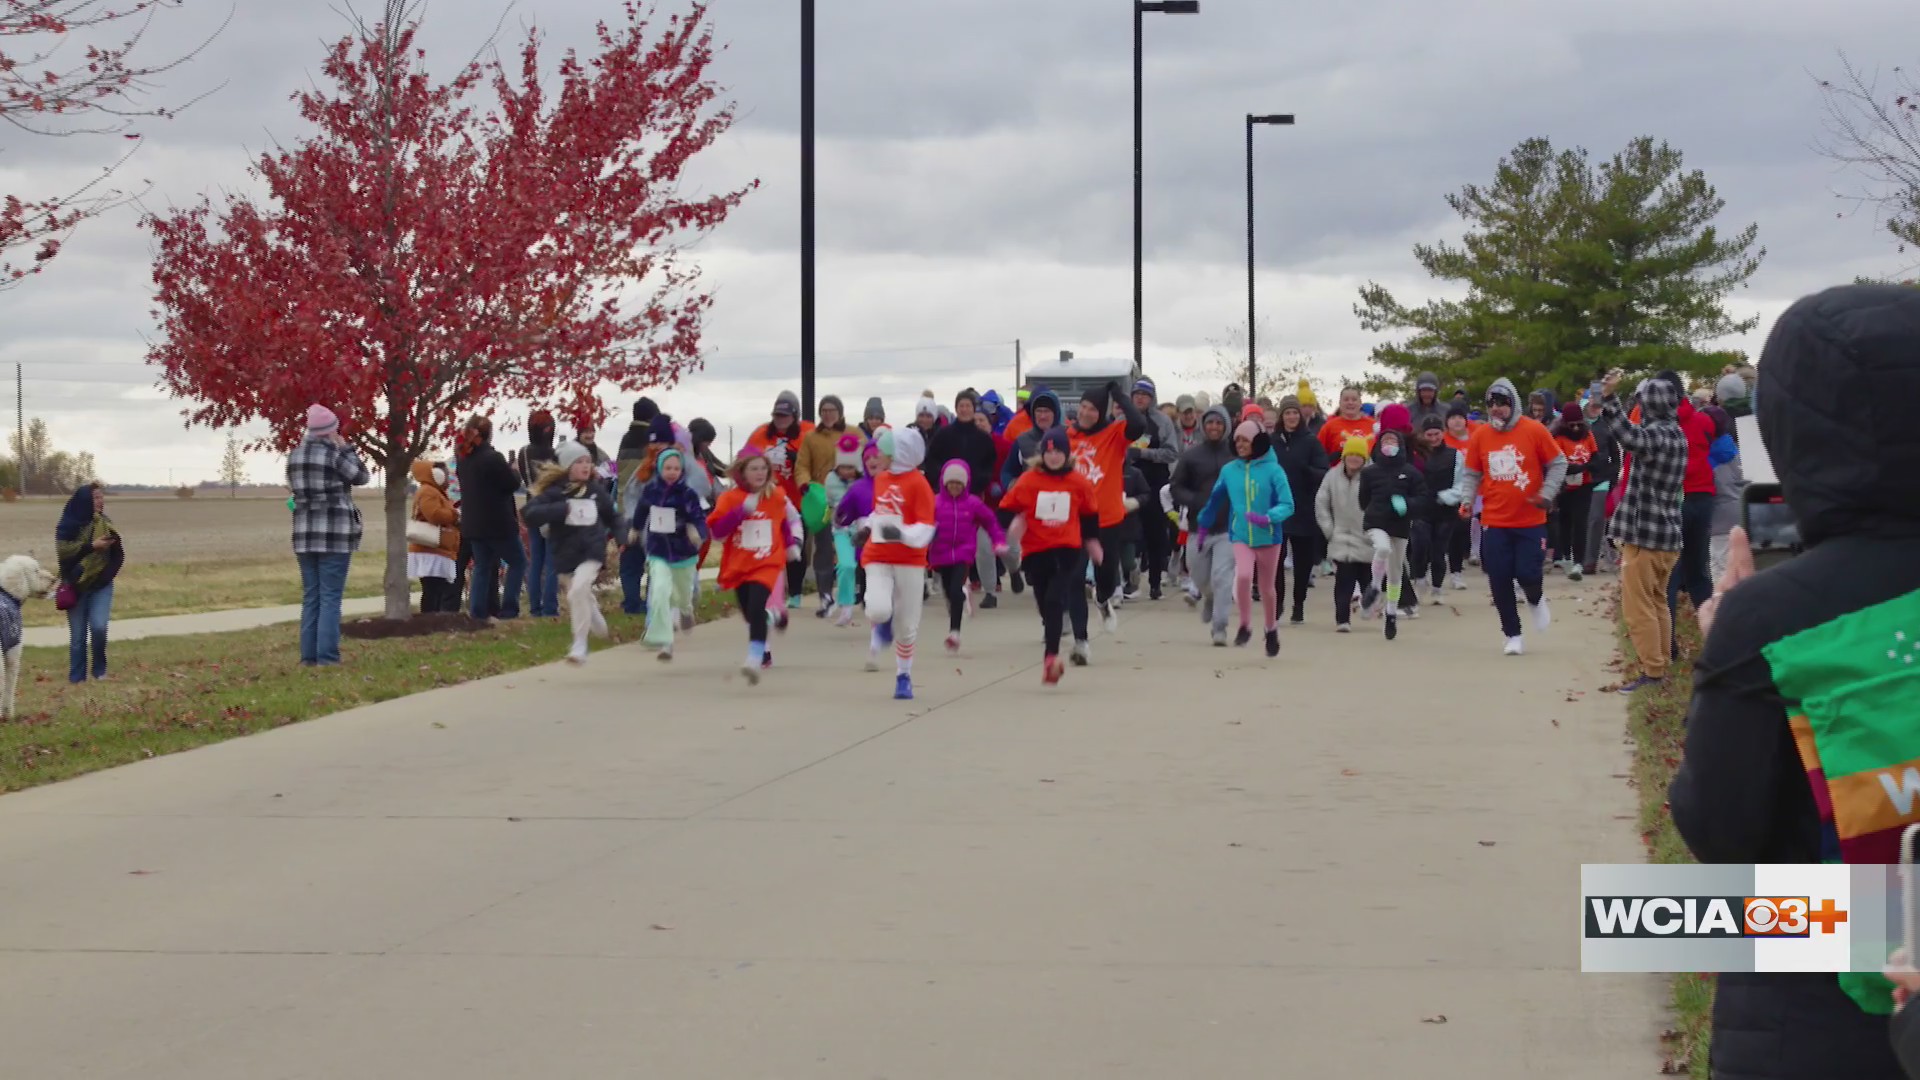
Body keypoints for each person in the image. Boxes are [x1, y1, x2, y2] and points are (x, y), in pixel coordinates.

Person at [1668, 283, 1920, 1080]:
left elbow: (1720, 829)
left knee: (1635, 919)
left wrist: (1723, 645)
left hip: (1813, 1016)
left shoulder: (1771, 619)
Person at [1588, 371, 1687, 692]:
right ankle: (1659, 664)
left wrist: (1608, 397)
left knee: (1639, 607)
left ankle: (1653, 672)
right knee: (1658, 602)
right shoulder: (1678, 435)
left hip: (1646, 537)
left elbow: (1626, 436)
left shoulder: (1656, 436)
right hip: (1668, 536)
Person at [1456, 378, 1566, 656]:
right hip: (1494, 520)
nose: (1497, 410)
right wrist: (1467, 500)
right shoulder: (1481, 435)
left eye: (1502, 404)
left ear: (1513, 404)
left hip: (1531, 519)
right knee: (1499, 577)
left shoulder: (1534, 430)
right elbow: (1471, 473)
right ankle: (1512, 634)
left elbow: (1558, 463)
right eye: (1492, 404)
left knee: (1528, 573)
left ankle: (1535, 598)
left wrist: (1547, 492)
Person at [1001, 428, 1101, 684]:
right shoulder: (1029, 481)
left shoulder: (1078, 482)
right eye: (1049, 452)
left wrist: (1092, 542)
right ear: (1042, 454)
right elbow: (1007, 507)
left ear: (1066, 454)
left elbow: (1089, 514)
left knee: (1056, 599)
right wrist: (1008, 529)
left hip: (1067, 548)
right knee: (1045, 602)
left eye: (1058, 452)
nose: (1054, 456)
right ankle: (1052, 636)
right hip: (1036, 551)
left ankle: (1051, 658)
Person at [1199, 419, 1294, 658]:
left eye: (1245, 440)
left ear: (1258, 442)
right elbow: (1214, 500)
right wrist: (1203, 525)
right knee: (1242, 576)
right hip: (1240, 535)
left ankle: (1271, 629)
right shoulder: (1230, 470)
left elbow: (1288, 504)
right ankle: (1245, 625)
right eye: (1237, 440)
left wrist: (1269, 517)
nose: (1240, 444)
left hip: (1270, 537)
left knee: (1267, 589)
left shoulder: (1274, 470)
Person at [1067, 381, 1149, 657]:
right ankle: (1081, 642)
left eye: (1093, 409)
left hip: (1107, 521)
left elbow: (1137, 424)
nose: (1086, 412)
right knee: (1074, 578)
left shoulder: (1114, 434)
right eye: (1084, 406)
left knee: (1105, 577)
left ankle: (1103, 600)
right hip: (1075, 522)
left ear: (1101, 413)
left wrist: (1119, 395)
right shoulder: (1068, 436)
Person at [286, 406, 371, 668]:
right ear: (330, 430)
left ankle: (308, 657)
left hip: (304, 533)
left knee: (311, 596)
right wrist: (348, 449)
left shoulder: (294, 456)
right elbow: (361, 477)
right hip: (334, 533)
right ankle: (328, 657)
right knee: (330, 596)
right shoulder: (334, 455)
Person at [521, 440, 616, 664]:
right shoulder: (557, 493)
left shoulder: (595, 491)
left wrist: (621, 535)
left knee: (577, 591)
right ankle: (591, 610)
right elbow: (529, 513)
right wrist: (560, 509)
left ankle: (579, 644)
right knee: (579, 592)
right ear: (567, 466)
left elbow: (613, 517)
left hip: (591, 550)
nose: (585, 466)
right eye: (579, 462)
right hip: (564, 553)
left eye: (588, 462)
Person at [712, 445, 800, 681]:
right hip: (741, 562)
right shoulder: (729, 498)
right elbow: (717, 532)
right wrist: (739, 512)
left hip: (767, 561)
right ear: (742, 471)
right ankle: (773, 619)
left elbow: (781, 523)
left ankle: (755, 656)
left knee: (756, 604)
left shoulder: (775, 495)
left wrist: (791, 545)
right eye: (754, 469)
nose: (760, 473)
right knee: (750, 612)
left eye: (763, 468)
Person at [861, 426, 936, 700]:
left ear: (899, 454)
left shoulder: (919, 484)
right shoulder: (881, 479)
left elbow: (926, 527)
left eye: (884, 451)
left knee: (907, 626)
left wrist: (903, 534)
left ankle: (903, 675)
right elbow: (880, 511)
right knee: (878, 610)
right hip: (877, 554)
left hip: (910, 559)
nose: (878, 455)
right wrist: (867, 527)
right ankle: (883, 622)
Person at [1667, 371, 1731, 653]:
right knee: (1698, 575)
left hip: (1674, 499)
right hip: (1703, 498)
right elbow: (1726, 452)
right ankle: (1718, 641)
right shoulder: (1704, 420)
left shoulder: (1659, 425)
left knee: (1669, 576)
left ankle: (1666, 647)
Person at [630, 446, 708, 660]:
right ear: (660, 468)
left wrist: (697, 532)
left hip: (684, 552)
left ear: (682, 470)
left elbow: (698, 517)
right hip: (658, 550)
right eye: (668, 468)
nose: (672, 472)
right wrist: (635, 529)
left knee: (682, 595)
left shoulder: (687, 494)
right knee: (660, 592)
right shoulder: (651, 490)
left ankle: (686, 610)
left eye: (676, 468)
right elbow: (641, 511)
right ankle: (665, 642)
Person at [1355, 422, 1429, 641]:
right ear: (1378, 445)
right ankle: (1375, 587)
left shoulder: (1410, 473)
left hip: (1400, 525)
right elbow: (1363, 500)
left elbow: (1423, 498)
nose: (1389, 444)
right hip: (1376, 522)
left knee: (1396, 573)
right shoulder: (1369, 472)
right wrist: (1375, 510)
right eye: (1385, 441)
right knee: (1383, 548)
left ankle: (1391, 613)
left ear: (1401, 445)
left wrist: (1407, 505)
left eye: (1393, 441)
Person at [1169, 404, 1235, 642]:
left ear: (1226, 426)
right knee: (1200, 576)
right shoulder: (1192, 456)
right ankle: (1208, 596)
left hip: (1228, 528)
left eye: (1219, 423)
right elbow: (1175, 487)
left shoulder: (1236, 455)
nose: (1214, 427)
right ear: (1203, 426)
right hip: (1199, 528)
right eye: (1210, 423)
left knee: (1222, 577)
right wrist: (1195, 500)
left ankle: (1220, 627)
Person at [929, 460, 1007, 652]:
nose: (954, 486)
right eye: (951, 483)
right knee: (949, 592)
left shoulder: (973, 503)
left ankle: (954, 633)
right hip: (940, 554)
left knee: (955, 590)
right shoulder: (934, 502)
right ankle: (959, 600)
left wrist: (998, 541)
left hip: (964, 552)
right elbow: (921, 522)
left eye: (959, 483)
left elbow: (991, 521)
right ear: (944, 483)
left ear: (965, 484)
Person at [746, 391, 814, 608]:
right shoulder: (762, 434)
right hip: (768, 499)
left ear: (795, 415)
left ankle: (794, 591)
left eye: (785, 416)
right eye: (777, 416)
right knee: (766, 544)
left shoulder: (807, 433)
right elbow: (745, 457)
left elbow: (819, 460)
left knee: (795, 545)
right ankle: (766, 588)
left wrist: (799, 459)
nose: (780, 420)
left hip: (798, 500)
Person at [456, 414, 526, 622]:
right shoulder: (493, 458)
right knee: (518, 562)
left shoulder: (464, 460)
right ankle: (509, 608)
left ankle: (477, 612)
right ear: (488, 434)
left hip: (473, 524)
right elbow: (511, 484)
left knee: (482, 567)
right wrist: (514, 471)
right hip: (498, 524)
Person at [54, 481, 123, 682]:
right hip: (75, 586)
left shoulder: (106, 524)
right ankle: (77, 678)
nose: (101, 501)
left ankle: (100, 671)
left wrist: (104, 577)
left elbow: (118, 555)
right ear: (84, 501)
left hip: (101, 586)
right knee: (78, 637)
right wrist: (91, 546)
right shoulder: (68, 526)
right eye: (96, 497)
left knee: (99, 627)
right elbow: (65, 555)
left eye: (102, 497)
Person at [1271, 396, 1329, 625]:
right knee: (1276, 560)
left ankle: (1299, 603)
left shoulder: (1311, 441)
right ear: (1281, 416)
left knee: (1303, 563)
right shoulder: (1271, 441)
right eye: (1287, 413)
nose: (1292, 417)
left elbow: (1323, 471)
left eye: (1295, 413)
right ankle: (1277, 603)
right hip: (1277, 509)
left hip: (1304, 508)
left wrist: (1307, 471)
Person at [798, 394, 852, 618]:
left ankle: (851, 593)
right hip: (822, 499)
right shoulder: (811, 438)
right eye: (824, 410)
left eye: (832, 410)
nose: (828, 414)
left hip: (849, 499)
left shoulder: (851, 434)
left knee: (850, 548)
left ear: (840, 412)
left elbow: (866, 458)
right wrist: (804, 484)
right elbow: (802, 465)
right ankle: (825, 595)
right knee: (823, 548)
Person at [1127, 378, 1181, 600]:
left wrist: (1143, 453)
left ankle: (1156, 583)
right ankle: (1128, 582)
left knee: (1156, 535)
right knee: (1128, 534)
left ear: (1152, 398)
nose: (1140, 398)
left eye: (1145, 394)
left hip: (1156, 482)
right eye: (1136, 393)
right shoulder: (1122, 420)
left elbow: (1171, 453)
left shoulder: (1162, 421)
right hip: (1128, 481)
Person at [1314, 437, 1373, 633]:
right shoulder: (1332, 476)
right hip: (1340, 537)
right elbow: (1321, 504)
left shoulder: (1372, 476)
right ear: (1344, 456)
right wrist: (1329, 530)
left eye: (1359, 455)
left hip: (1365, 537)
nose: (1354, 458)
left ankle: (1373, 608)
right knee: (1344, 580)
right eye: (1351, 454)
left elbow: (1379, 504)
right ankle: (1342, 619)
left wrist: (1373, 530)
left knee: (1367, 578)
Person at [1409, 416, 1463, 604]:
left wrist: (1444, 497)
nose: (1433, 438)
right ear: (1423, 435)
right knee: (1419, 545)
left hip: (1445, 509)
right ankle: (1420, 579)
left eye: (1436, 434)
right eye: (1429, 434)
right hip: (1421, 509)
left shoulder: (1455, 455)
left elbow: (1461, 484)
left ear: (1443, 433)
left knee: (1439, 550)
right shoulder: (1415, 455)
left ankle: (1437, 588)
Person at [514, 409, 561, 618]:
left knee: (536, 560)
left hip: (532, 505)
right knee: (551, 561)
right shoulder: (554, 455)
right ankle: (550, 607)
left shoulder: (524, 453)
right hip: (550, 507)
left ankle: (535, 607)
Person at [407, 460, 461, 614]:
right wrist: (454, 514)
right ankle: (429, 621)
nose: (447, 477)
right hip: (430, 551)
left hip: (436, 550)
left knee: (435, 590)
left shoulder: (433, 492)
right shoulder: (428, 491)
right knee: (432, 590)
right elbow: (434, 515)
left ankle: (432, 620)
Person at [1551, 403, 1597, 581]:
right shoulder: (1559, 438)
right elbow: (1557, 462)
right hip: (1565, 487)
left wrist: (1586, 466)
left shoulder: (1587, 435)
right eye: (1572, 425)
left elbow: (1595, 456)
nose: (1576, 428)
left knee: (1581, 523)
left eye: (1579, 424)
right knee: (1565, 522)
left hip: (1584, 485)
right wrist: (1572, 469)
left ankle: (1579, 561)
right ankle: (1566, 556)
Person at [1440, 403, 1475, 589]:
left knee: (1461, 532)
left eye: (1460, 417)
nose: (1457, 421)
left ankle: (1456, 572)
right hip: (1447, 492)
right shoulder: (1442, 440)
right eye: (1453, 418)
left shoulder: (1474, 440)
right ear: (1447, 422)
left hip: (1470, 491)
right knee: (1443, 534)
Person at [1316, 385, 1376, 460]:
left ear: (1360, 403)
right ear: (1340, 403)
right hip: (1338, 470)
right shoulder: (1329, 427)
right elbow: (1317, 454)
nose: (1350, 403)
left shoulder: (1374, 425)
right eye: (1346, 400)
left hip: (1368, 470)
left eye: (1354, 400)